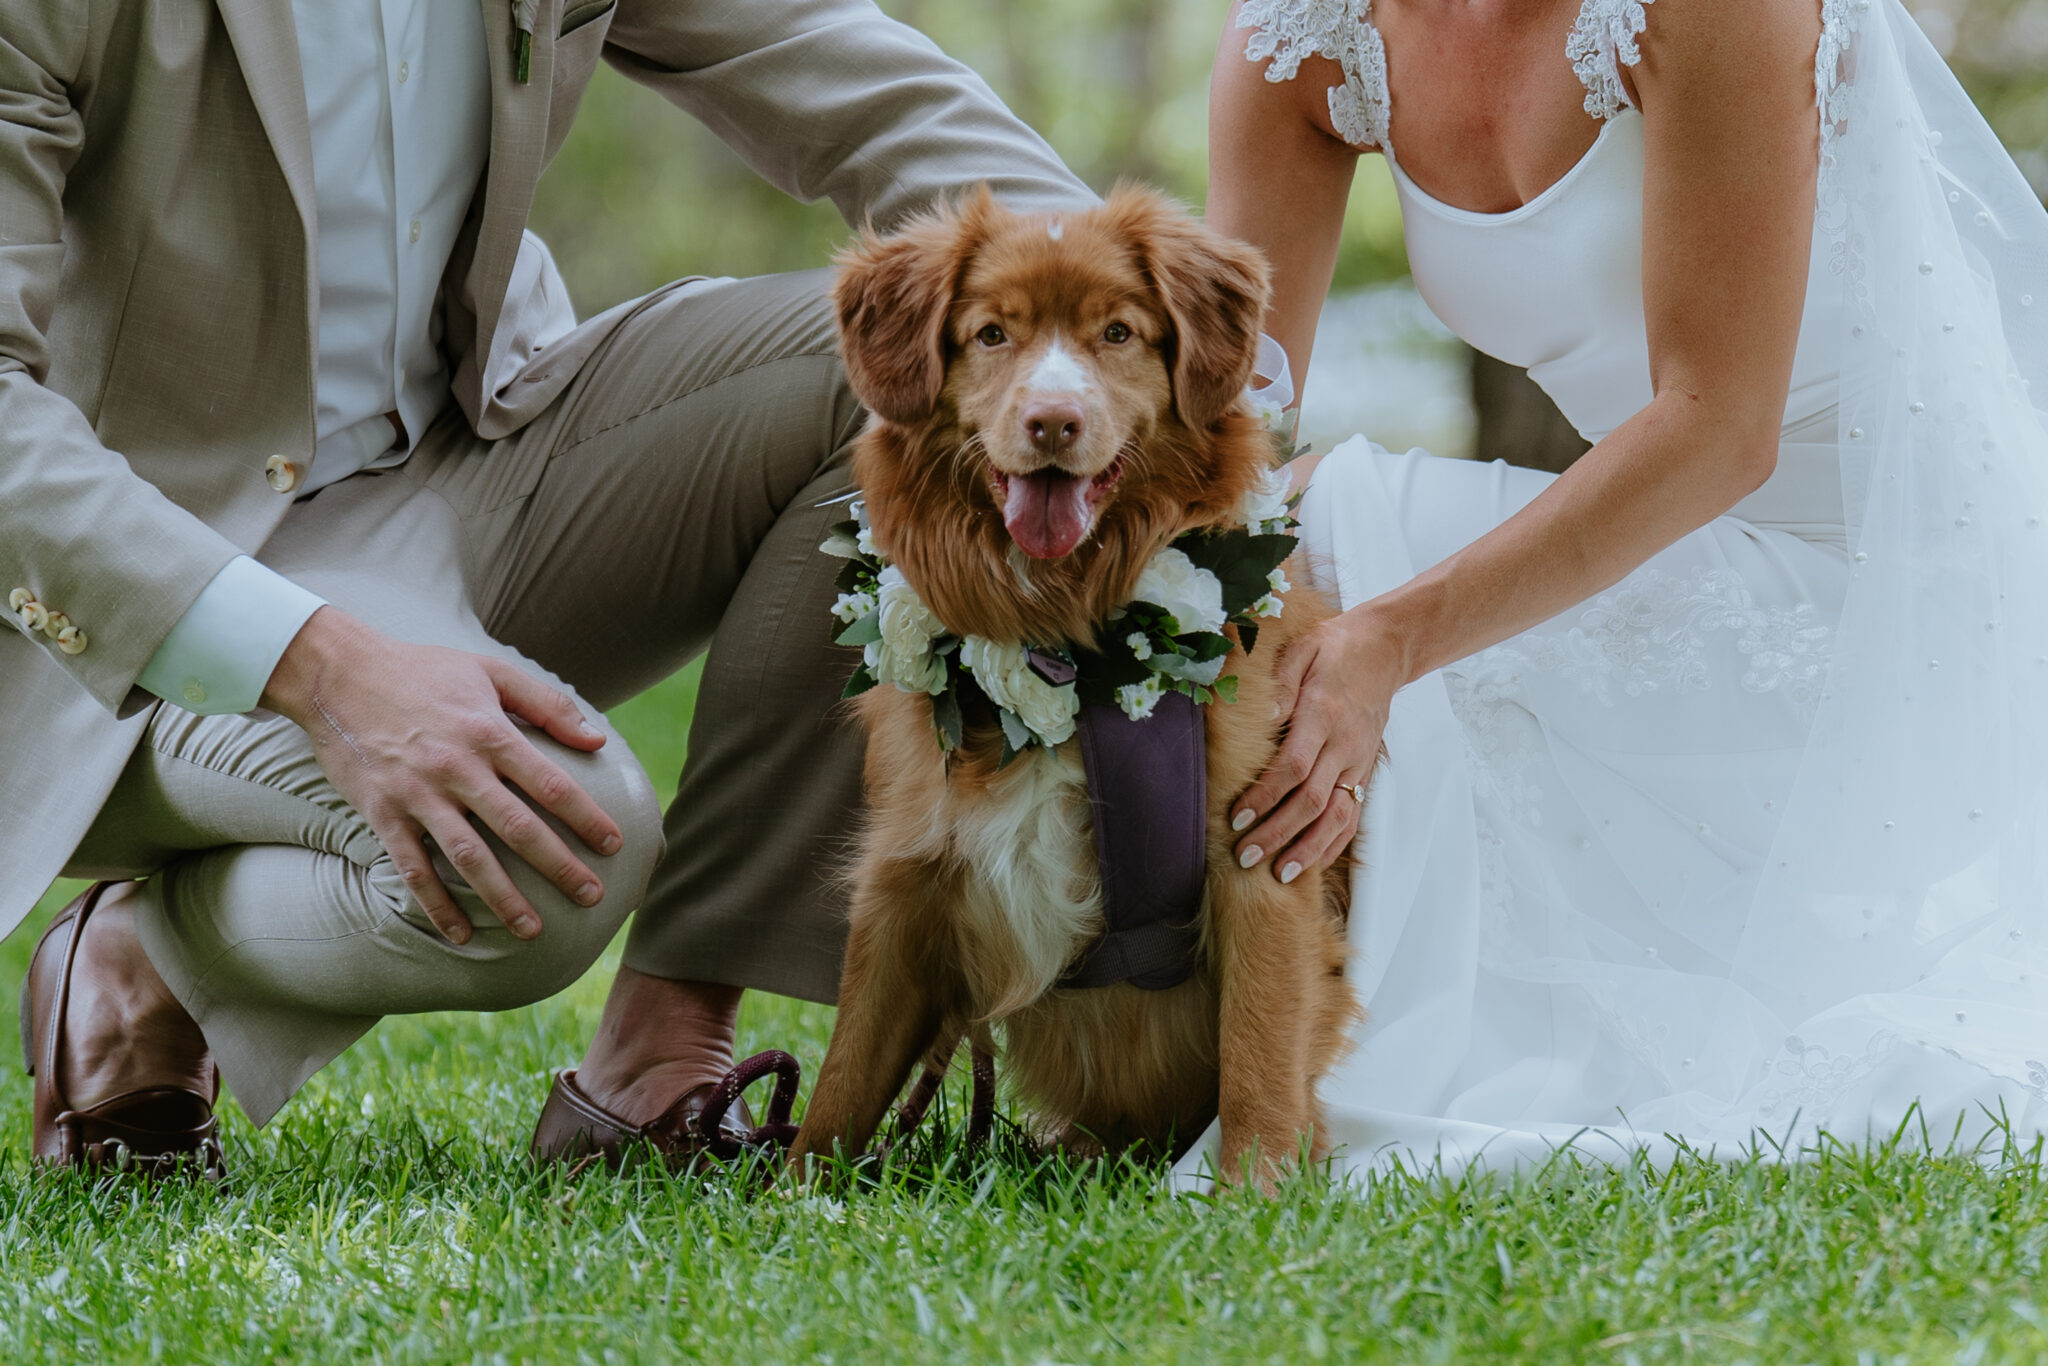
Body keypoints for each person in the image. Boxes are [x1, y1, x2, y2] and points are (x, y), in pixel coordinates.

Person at [2, 0, 1090, 1174]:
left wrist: (1183, 377)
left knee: (905, 390)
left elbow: (861, 82)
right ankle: (139, 964)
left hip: (482, 447)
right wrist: (321, 666)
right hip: (141, 570)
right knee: (551, 851)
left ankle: (654, 1062)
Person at [1181, 0, 2048, 1179]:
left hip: (1889, 606)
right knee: (1277, 535)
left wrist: (1388, 640)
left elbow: (1717, 430)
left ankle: (1345, 1026)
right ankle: (1178, 1009)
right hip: (1659, 558)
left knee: (1342, 536)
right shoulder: (1301, 39)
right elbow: (1226, 440)